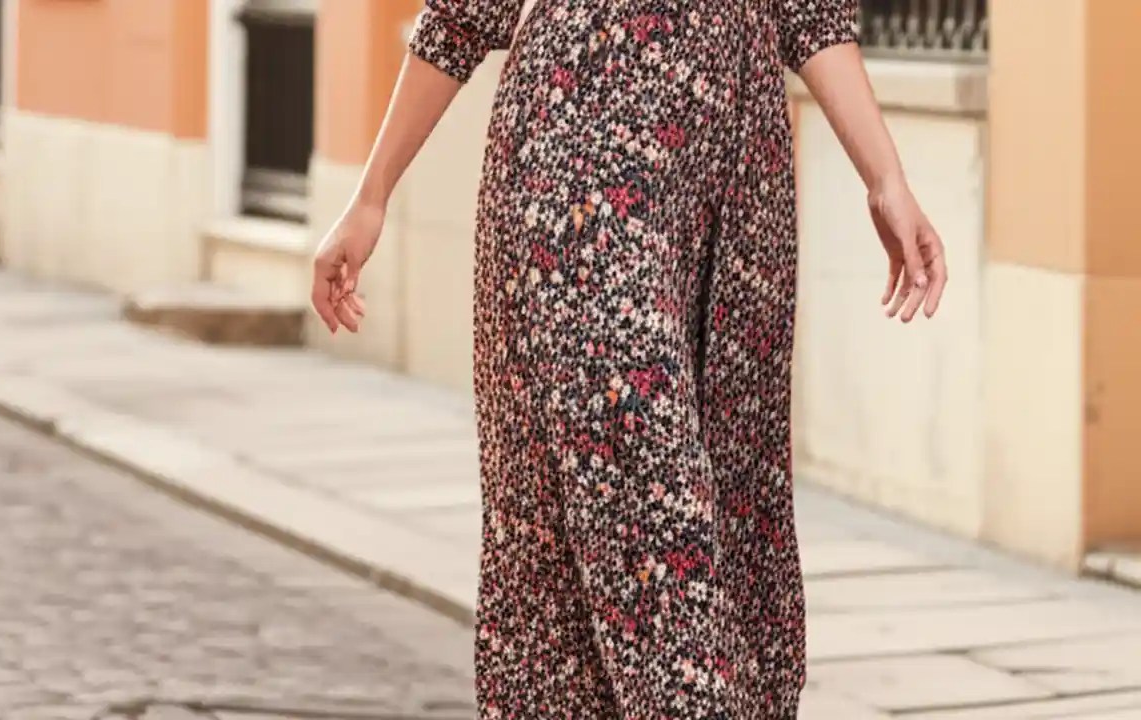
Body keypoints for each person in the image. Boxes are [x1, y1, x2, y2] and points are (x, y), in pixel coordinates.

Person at [311, 0, 947, 716]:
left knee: (721, 521)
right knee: (648, 517)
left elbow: (810, 16)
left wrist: (885, 177)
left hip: (729, 203)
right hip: (575, 181)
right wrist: (369, 197)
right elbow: (461, 16)